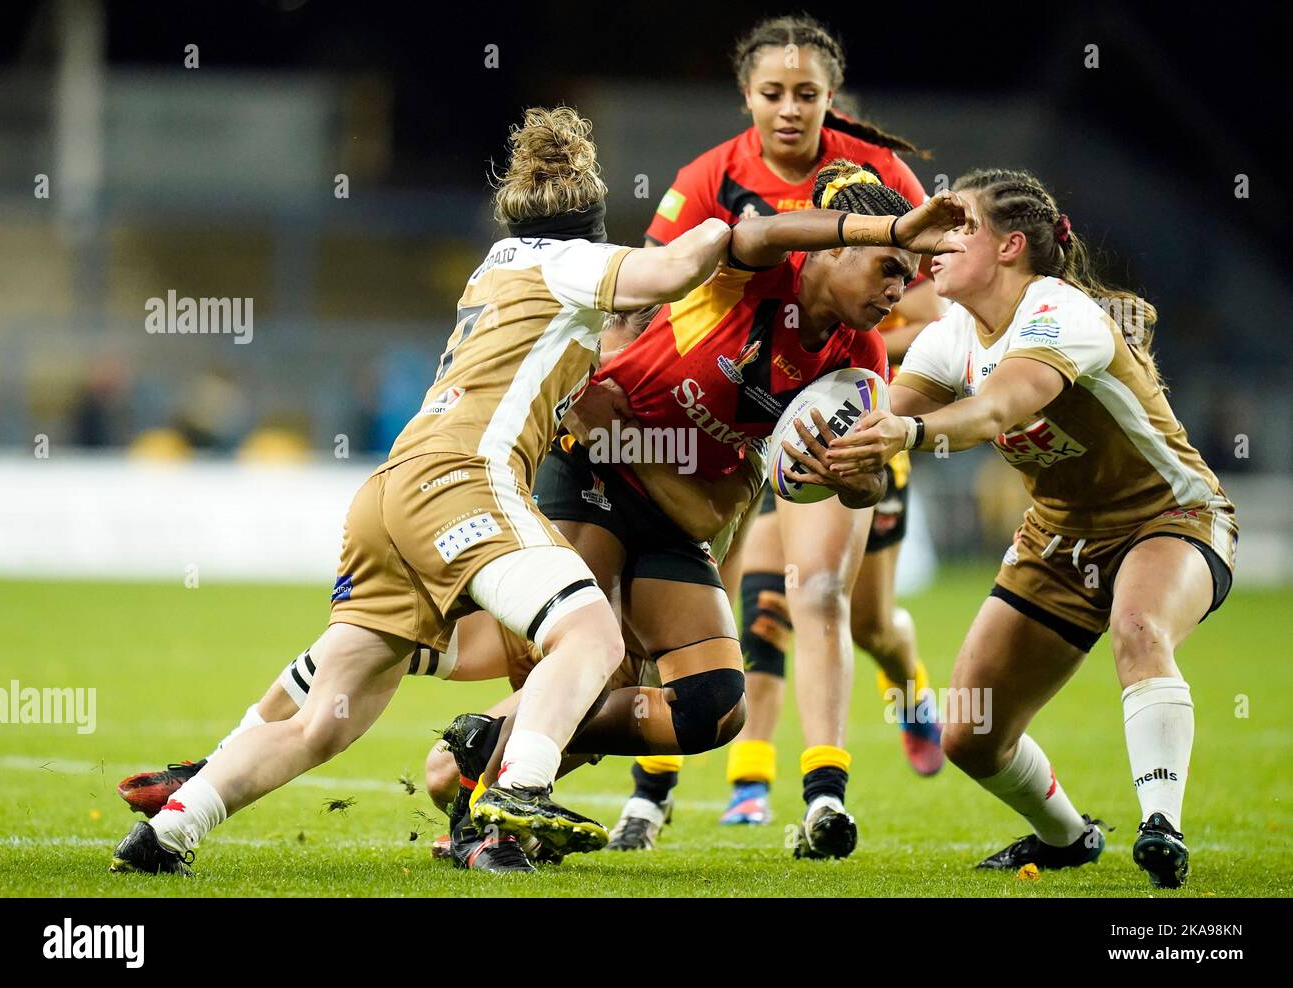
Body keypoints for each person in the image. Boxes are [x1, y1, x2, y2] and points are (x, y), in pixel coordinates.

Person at [107, 105, 735, 874]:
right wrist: (733, 222)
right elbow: (672, 272)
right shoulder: (570, 262)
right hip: (464, 480)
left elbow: (542, 357)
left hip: (389, 490)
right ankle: (521, 787)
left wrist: (582, 391)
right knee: (593, 637)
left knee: (324, 723)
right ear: (593, 225)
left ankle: (172, 828)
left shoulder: (495, 266)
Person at [829, 168, 1237, 889]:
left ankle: (1161, 827)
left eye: (963, 228)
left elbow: (993, 412)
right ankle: (1068, 838)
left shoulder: (1060, 314)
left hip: (1169, 514)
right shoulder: (950, 334)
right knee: (971, 735)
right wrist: (834, 458)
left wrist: (902, 432)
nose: (940, 244)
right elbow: (886, 424)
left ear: (1012, 246)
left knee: (1138, 627)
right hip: (1058, 535)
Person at [611, 12, 946, 844]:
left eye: (807, 93)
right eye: (772, 93)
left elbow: (933, 309)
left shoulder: (880, 176)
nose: (789, 109)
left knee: (844, 605)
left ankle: (885, 712)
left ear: (832, 97)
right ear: (746, 96)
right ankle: (654, 792)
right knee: (709, 599)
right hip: (725, 416)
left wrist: (837, 357)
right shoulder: (709, 177)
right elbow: (650, 289)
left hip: (842, 410)